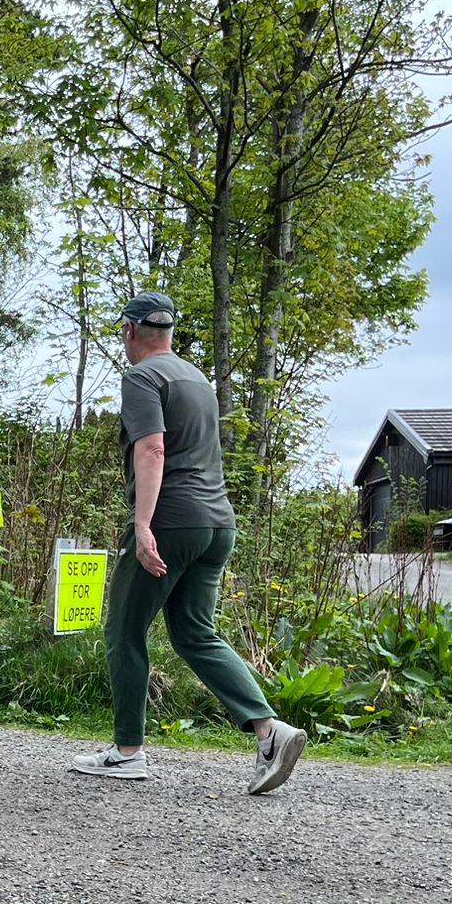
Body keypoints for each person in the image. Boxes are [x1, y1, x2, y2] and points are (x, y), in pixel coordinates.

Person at [70, 292, 308, 795]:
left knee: (124, 630)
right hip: (218, 522)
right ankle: (269, 733)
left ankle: (127, 752)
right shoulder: (197, 379)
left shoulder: (141, 377)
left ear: (130, 331)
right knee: (195, 632)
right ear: (170, 333)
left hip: (172, 523)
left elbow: (152, 448)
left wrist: (141, 525)